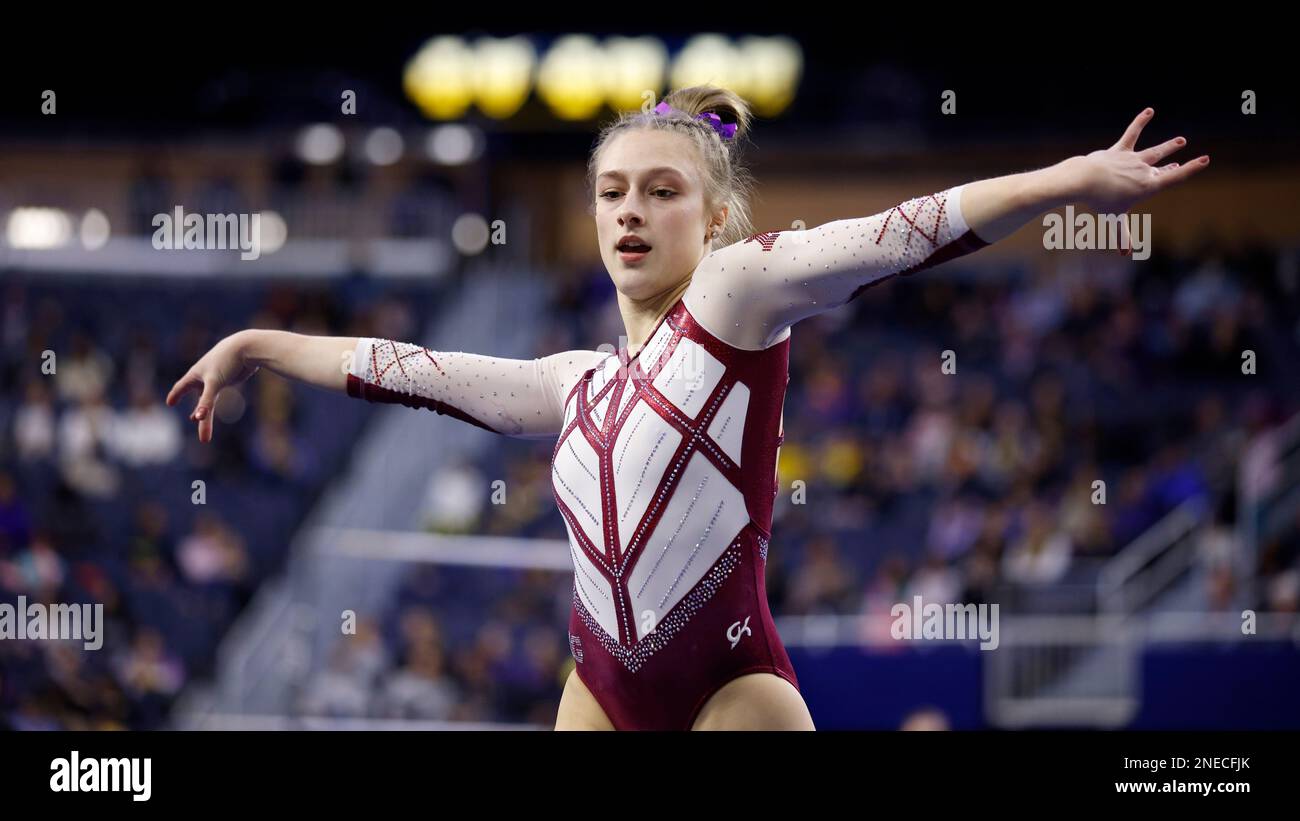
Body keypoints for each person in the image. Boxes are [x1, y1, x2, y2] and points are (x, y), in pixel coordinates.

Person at [168, 86, 1208, 730]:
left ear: (713, 217)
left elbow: (899, 230)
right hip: (600, 693)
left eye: (661, 190)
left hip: (730, 692)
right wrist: (257, 344)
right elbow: (411, 366)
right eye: (613, 190)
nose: (631, 209)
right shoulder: (573, 381)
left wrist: (1070, 177)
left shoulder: (734, 292)